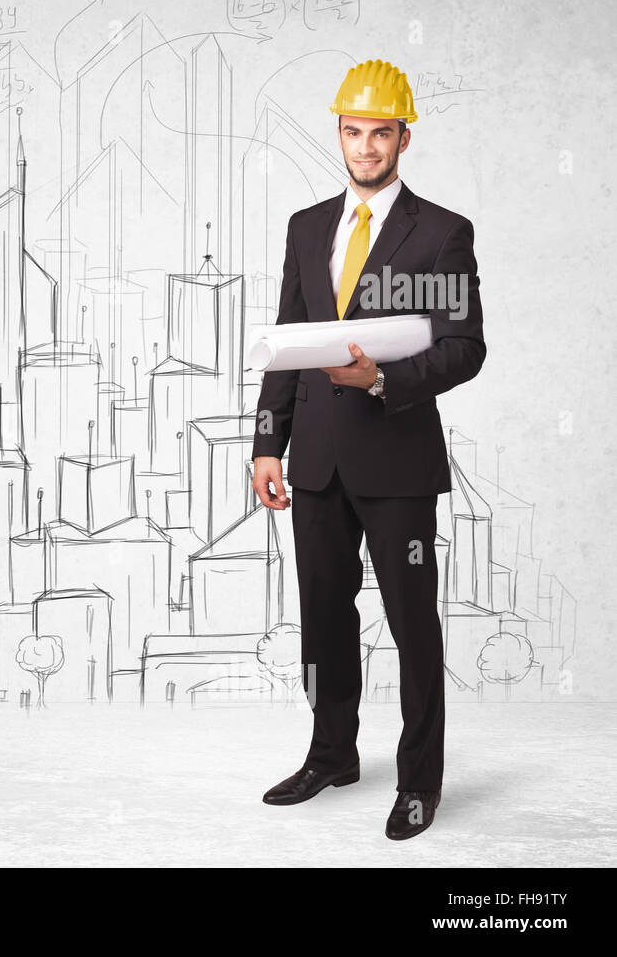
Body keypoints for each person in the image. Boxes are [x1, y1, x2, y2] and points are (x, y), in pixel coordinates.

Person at [250, 59, 486, 840]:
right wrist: (268, 441)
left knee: (412, 624)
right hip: (316, 459)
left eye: (380, 134)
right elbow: (289, 341)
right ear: (340, 133)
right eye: (353, 132)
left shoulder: (442, 233)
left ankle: (419, 783)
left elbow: (465, 348)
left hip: (396, 463)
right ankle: (331, 755)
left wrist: (384, 378)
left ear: (403, 138)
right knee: (322, 618)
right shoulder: (307, 227)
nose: (365, 147)